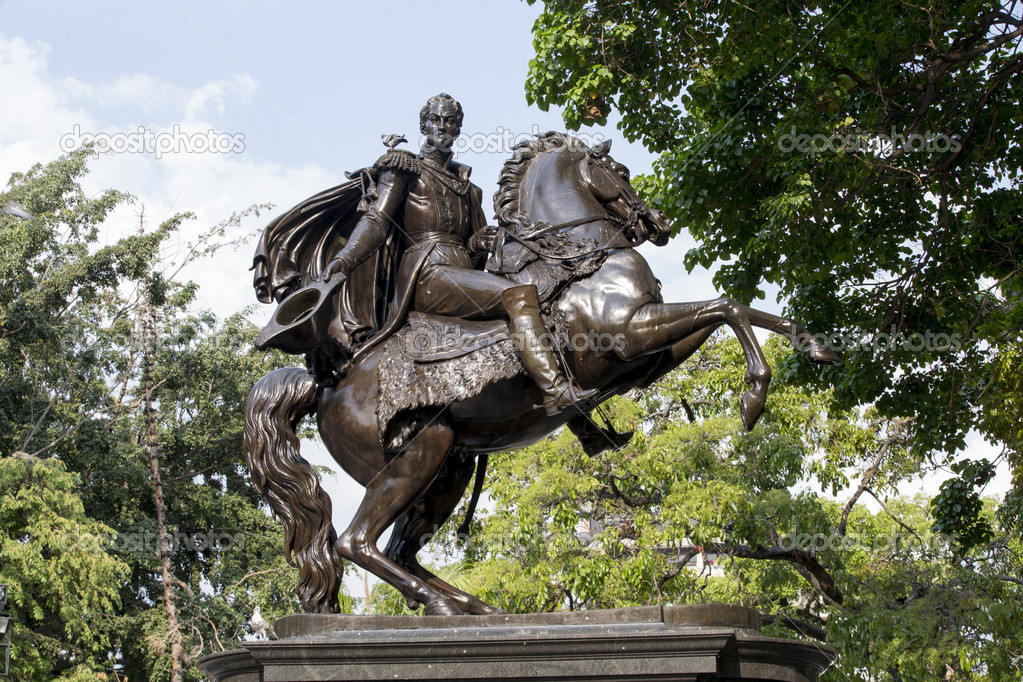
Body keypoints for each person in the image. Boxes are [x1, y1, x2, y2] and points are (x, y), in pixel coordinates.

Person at [321, 93, 597, 416]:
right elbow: (377, 222)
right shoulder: (405, 168)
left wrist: (481, 241)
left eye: (449, 121)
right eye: (435, 120)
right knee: (518, 295)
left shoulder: (468, 188)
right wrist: (346, 258)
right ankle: (556, 392)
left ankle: (578, 421)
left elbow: (469, 247)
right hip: (427, 274)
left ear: (458, 127)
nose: (442, 127)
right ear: (424, 124)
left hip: (462, 275)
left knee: (546, 306)